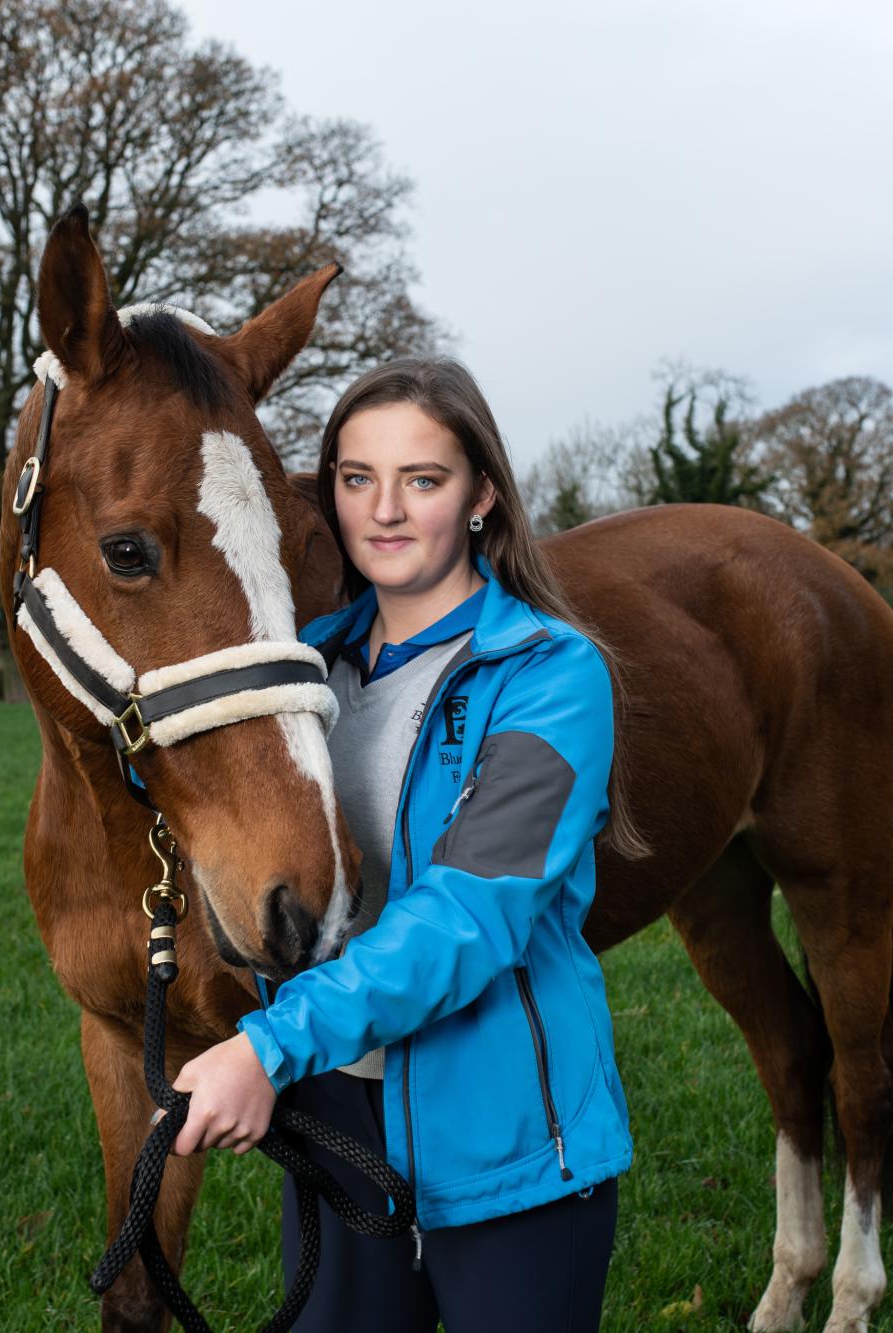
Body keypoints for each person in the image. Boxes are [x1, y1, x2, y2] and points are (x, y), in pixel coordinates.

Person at [166, 356, 647, 1331]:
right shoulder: (306, 671)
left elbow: (471, 916)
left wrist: (265, 1046)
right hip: (338, 1127)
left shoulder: (553, 676)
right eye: (356, 478)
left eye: (421, 479)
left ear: (480, 499)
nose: (383, 510)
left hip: (510, 1149)